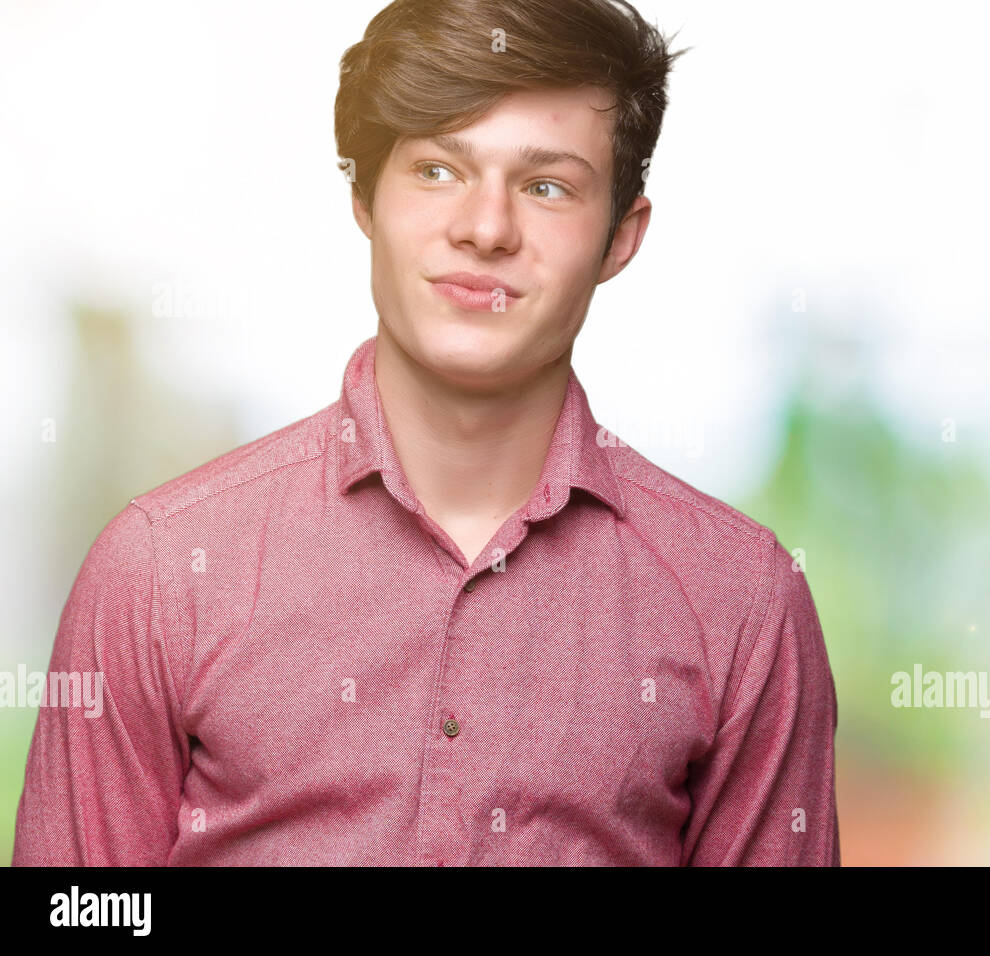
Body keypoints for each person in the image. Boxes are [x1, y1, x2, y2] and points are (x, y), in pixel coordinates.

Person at [12, 0, 839, 866]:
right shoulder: (161, 571)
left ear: (620, 236)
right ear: (364, 196)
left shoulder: (743, 604)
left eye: (546, 185)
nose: (485, 229)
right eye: (439, 170)